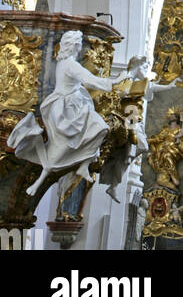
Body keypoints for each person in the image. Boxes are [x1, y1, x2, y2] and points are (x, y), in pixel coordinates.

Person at [8, 29, 117, 196]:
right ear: (72, 46)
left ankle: (83, 165)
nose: (81, 48)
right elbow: (90, 80)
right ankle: (73, 167)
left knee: (96, 130)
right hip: (67, 109)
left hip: (67, 105)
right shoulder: (70, 64)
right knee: (91, 132)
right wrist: (115, 81)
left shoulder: (63, 62)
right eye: (79, 45)